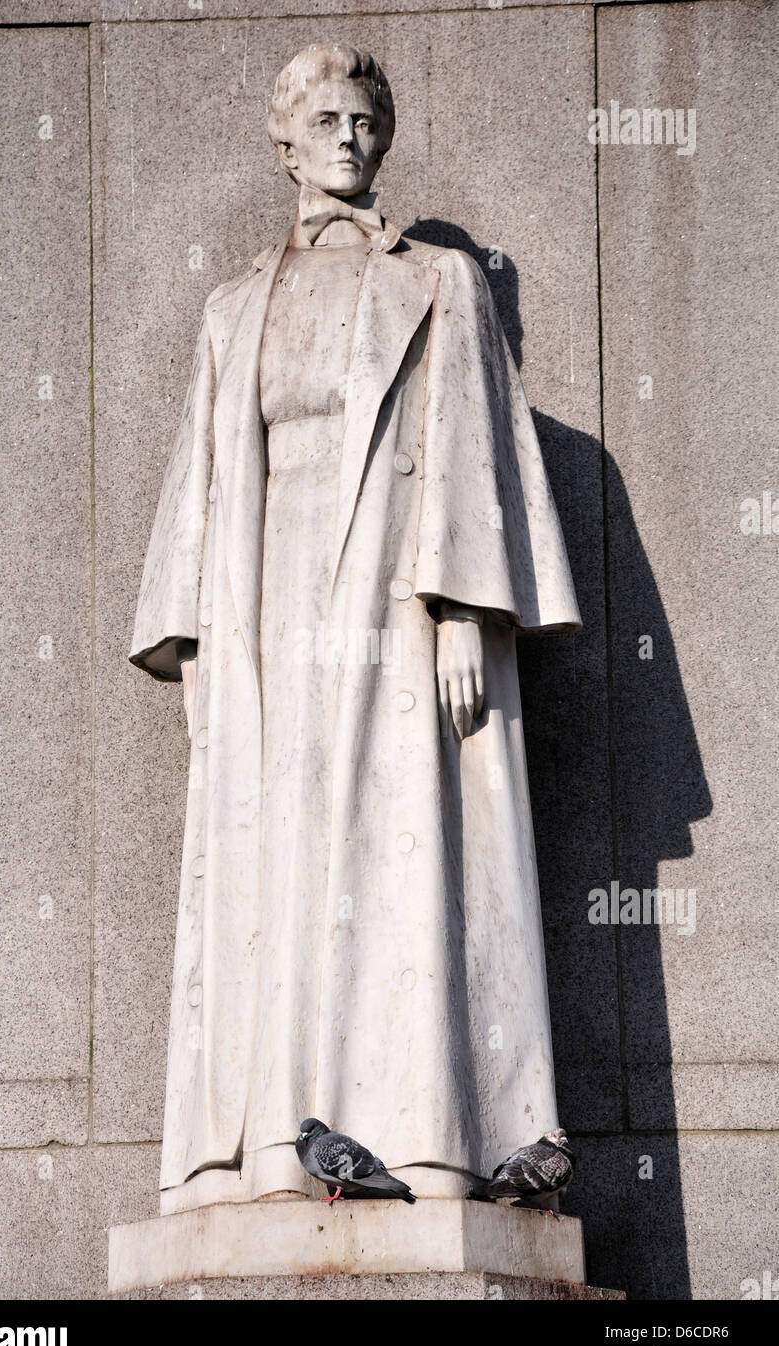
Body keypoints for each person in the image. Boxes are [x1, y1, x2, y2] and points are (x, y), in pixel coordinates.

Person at [130, 42, 582, 1208]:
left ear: (382, 137)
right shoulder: (233, 308)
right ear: (282, 141)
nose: (345, 135)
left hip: (394, 600)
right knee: (272, 874)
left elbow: (477, 455)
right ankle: (272, 1147)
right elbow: (206, 485)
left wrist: (467, 617)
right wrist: (195, 643)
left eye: (362, 117)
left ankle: (420, 1134)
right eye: (322, 117)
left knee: (401, 857)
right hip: (269, 614)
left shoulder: (441, 283)